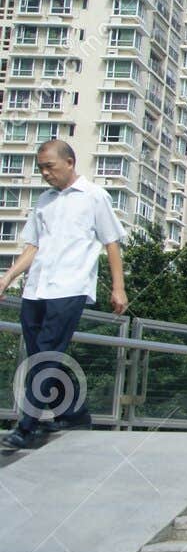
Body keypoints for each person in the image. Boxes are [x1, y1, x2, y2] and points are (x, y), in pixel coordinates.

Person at [0, 140, 127, 452]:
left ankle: (27, 426)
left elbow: (111, 242)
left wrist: (118, 287)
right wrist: (6, 278)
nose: (45, 173)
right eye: (41, 167)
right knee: (41, 357)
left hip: (70, 287)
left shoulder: (95, 197)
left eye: (50, 166)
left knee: (45, 355)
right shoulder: (44, 200)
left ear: (70, 162)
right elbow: (33, 246)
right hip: (36, 288)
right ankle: (74, 413)